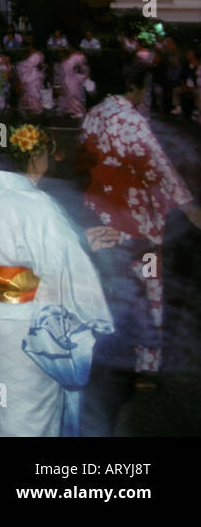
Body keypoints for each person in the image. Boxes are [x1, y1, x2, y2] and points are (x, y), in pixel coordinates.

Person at [0, 124, 114, 436]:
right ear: (35, 158)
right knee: (27, 414)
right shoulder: (39, 206)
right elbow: (67, 271)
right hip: (25, 330)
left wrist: (78, 241)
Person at [77, 63, 201, 408]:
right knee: (149, 284)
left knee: (106, 279)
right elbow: (158, 165)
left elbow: (83, 159)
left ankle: (101, 350)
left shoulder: (94, 114)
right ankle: (144, 364)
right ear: (133, 86)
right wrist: (188, 205)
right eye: (143, 87)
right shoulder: (131, 119)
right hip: (133, 213)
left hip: (100, 204)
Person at [56, 46, 90, 119]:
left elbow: (83, 66)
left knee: (74, 97)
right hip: (67, 82)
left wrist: (83, 75)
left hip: (73, 82)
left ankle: (80, 112)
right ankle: (70, 111)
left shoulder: (74, 59)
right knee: (67, 98)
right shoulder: (64, 62)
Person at [16, 42, 46, 117]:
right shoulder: (38, 55)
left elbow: (26, 65)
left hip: (33, 78)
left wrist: (18, 65)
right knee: (30, 95)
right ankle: (32, 112)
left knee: (34, 94)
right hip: (33, 77)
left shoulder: (36, 55)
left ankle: (37, 112)